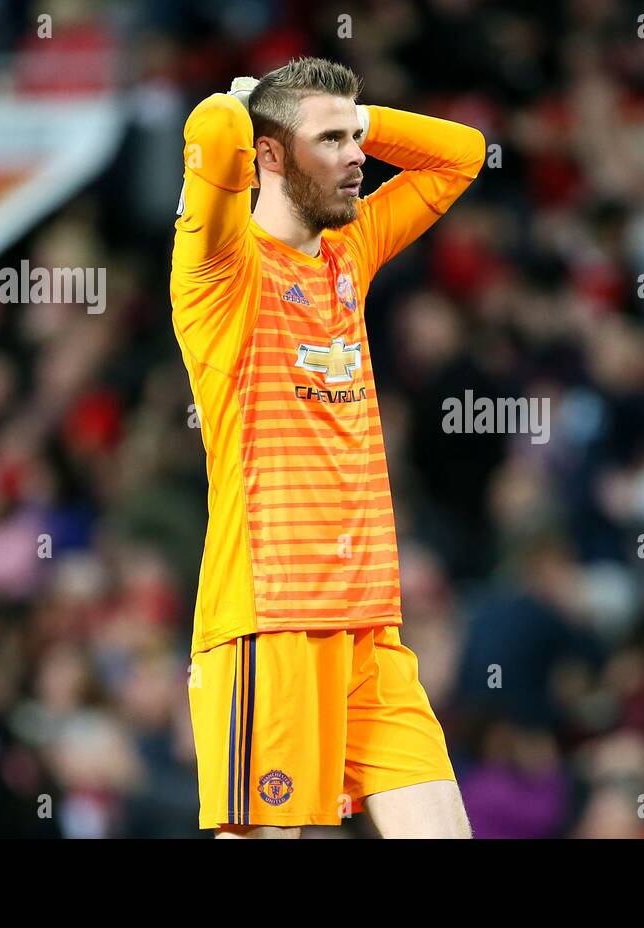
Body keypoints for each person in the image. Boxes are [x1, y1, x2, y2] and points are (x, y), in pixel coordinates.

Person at [170, 56, 484, 838]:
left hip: (369, 625)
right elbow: (210, 130)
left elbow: (463, 154)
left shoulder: (349, 253)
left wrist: (357, 119)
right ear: (269, 158)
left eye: (359, 137)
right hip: (269, 620)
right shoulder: (220, 273)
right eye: (332, 141)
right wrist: (242, 110)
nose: (358, 157)